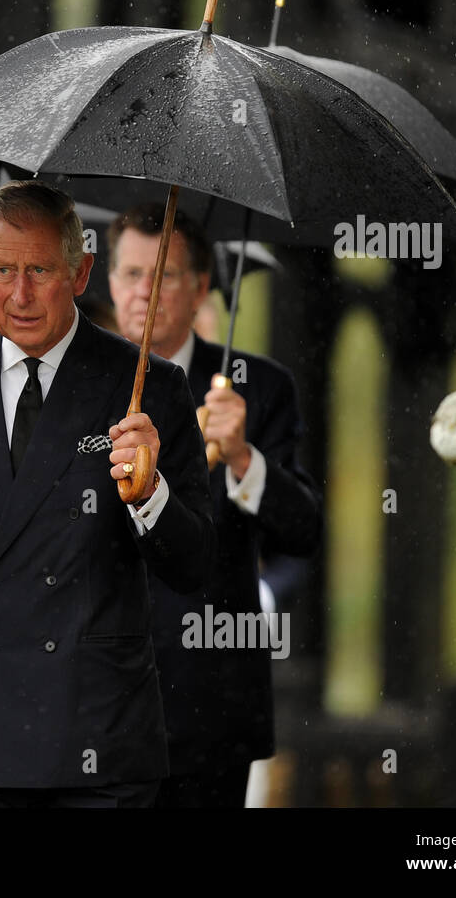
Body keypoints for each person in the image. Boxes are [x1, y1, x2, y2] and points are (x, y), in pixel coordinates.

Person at [0, 181, 213, 807]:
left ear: (81, 271)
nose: (20, 294)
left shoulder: (150, 387)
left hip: (96, 740)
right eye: (4, 271)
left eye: (40, 270)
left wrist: (149, 492)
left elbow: (195, 566)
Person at [107, 205, 322, 807]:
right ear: (106, 279)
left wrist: (243, 458)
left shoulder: (259, 389)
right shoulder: (75, 384)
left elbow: (303, 529)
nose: (143, 294)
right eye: (130, 274)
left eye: (164, 276)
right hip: (98, 700)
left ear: (202, 287)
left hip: (211, 698)